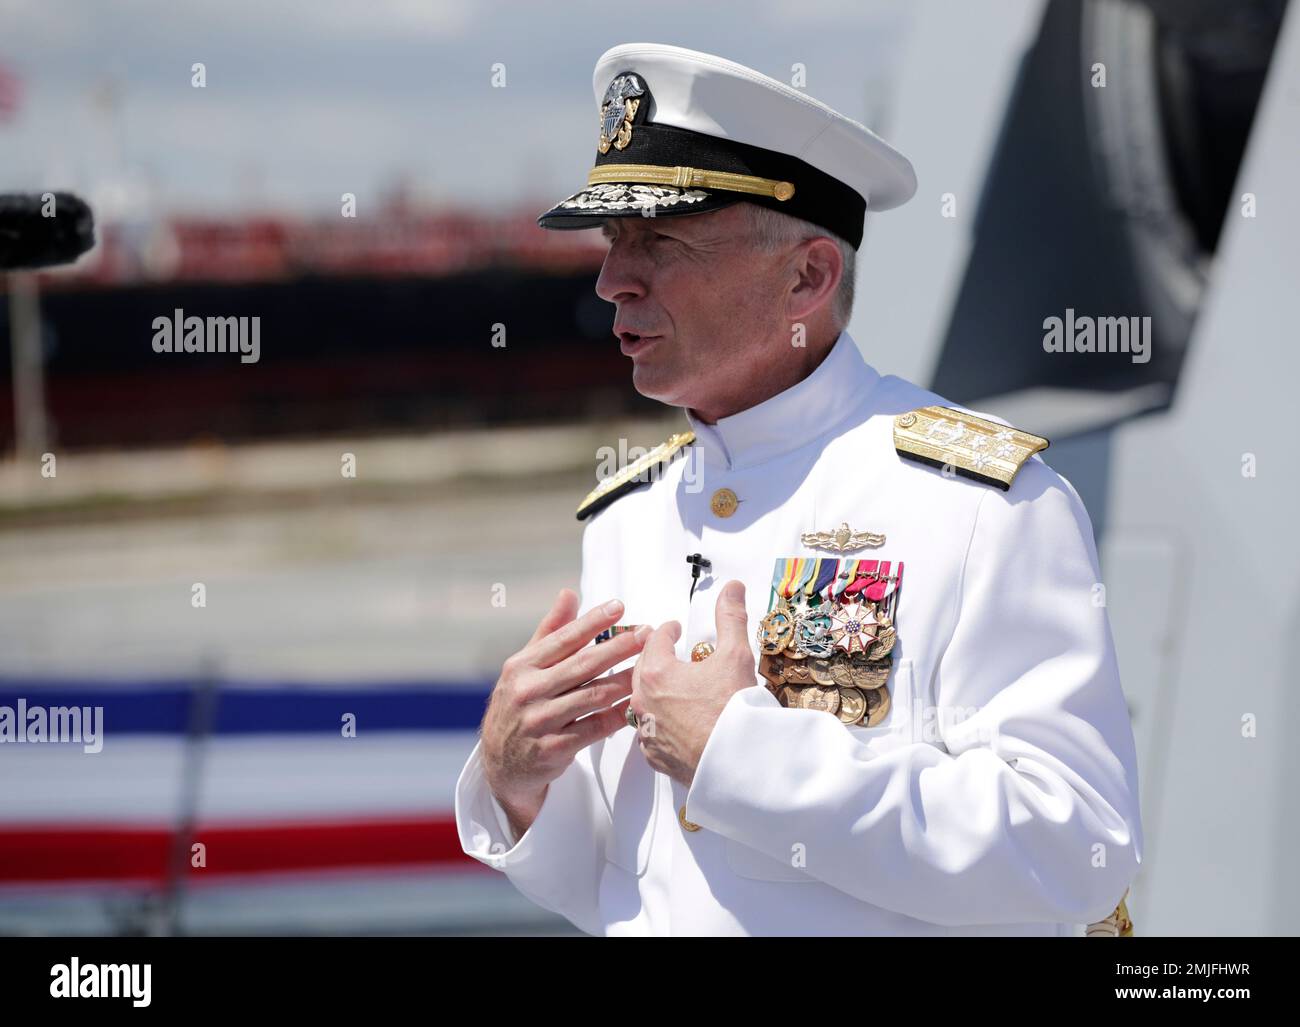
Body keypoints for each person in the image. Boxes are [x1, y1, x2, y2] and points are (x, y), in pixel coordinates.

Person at [454, 41, 1142, 936]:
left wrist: (744, 755)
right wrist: (515, 779)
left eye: (658, 240)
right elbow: (629, 875)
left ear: (808, 277)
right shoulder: (629, 515)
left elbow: (1076, 850)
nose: (612, 280)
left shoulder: (981, 504)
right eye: (614, 240)